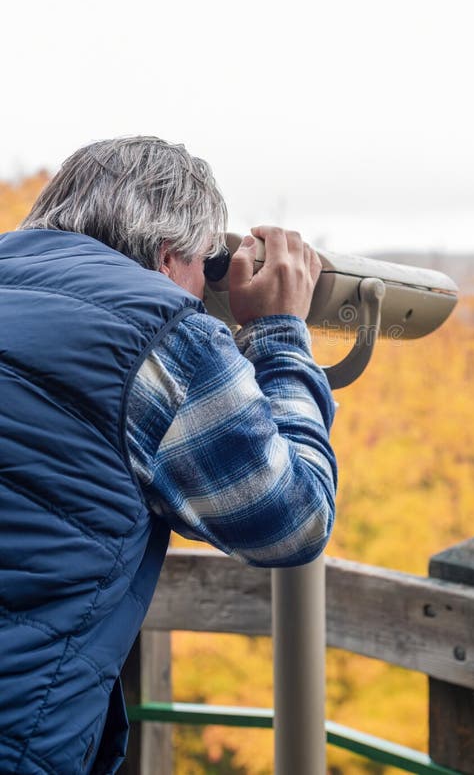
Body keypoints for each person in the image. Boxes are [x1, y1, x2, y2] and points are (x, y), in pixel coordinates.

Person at [0, 136, 337, 774]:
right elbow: (294, 522)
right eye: (210, 265)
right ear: (166, 254)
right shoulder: (161, 333)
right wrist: (279, 335)